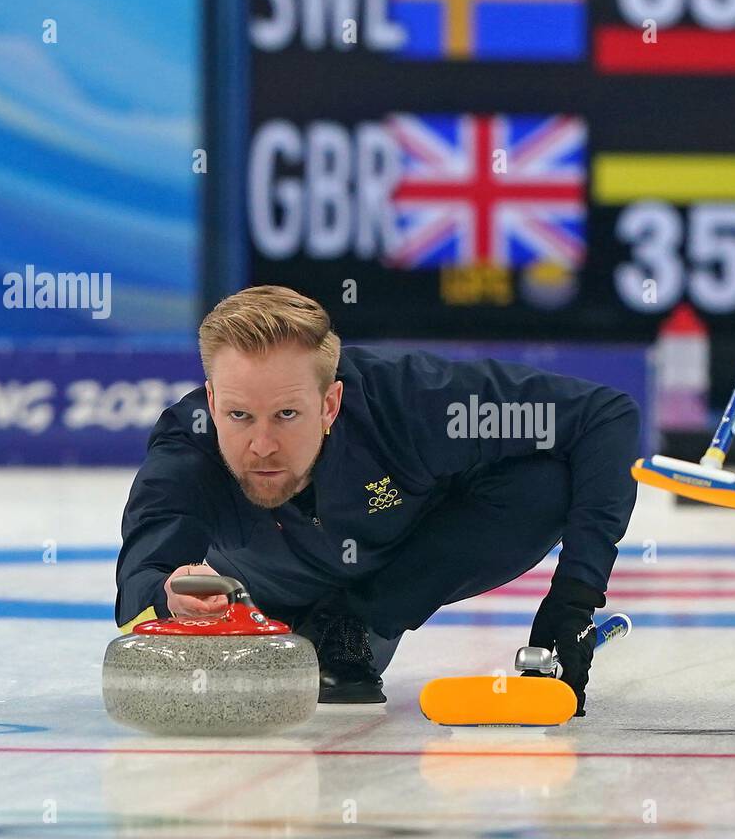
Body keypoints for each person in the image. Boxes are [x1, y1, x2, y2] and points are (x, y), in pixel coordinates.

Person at [114, 286, 639, 711]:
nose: (263, 445)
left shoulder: (412, 404)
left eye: (288, 415)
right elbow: (141, 577)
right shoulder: (188, 448)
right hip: (260, 602)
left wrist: (573, 600)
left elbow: (603, 415)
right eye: (239, 416)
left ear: (331, 401)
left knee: (545, 481)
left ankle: (352, 629)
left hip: (386, 583)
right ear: (211, 400)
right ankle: (323, 634)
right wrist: (168, 593)